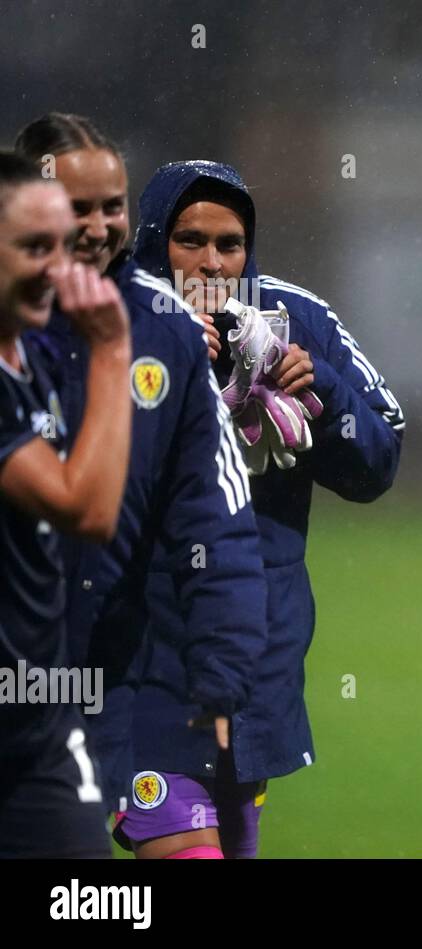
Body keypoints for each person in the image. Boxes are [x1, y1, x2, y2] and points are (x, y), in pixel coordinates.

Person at [128, 159, 404, 855]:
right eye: (190, 239)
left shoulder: (295, 315)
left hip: (260, 654)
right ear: (155, 236)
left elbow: (378, 463)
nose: (211, 261)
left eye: (230, 242)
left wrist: (325, 389)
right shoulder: (109, 319)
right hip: (138, 652)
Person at [14, 113, 267, 860]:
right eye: (75, 207)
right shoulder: (12, 332)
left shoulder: (164, 331)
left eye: (111, 206)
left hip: (117, 673)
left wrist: (221, 671)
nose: (97, 225)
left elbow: (215, 518)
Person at [0, 150, 132, 857]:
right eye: (31, 247)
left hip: (37, 727)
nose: (55, 266)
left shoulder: (31, 358)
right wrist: (114, 351)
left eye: (59, 246)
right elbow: (86, 506)